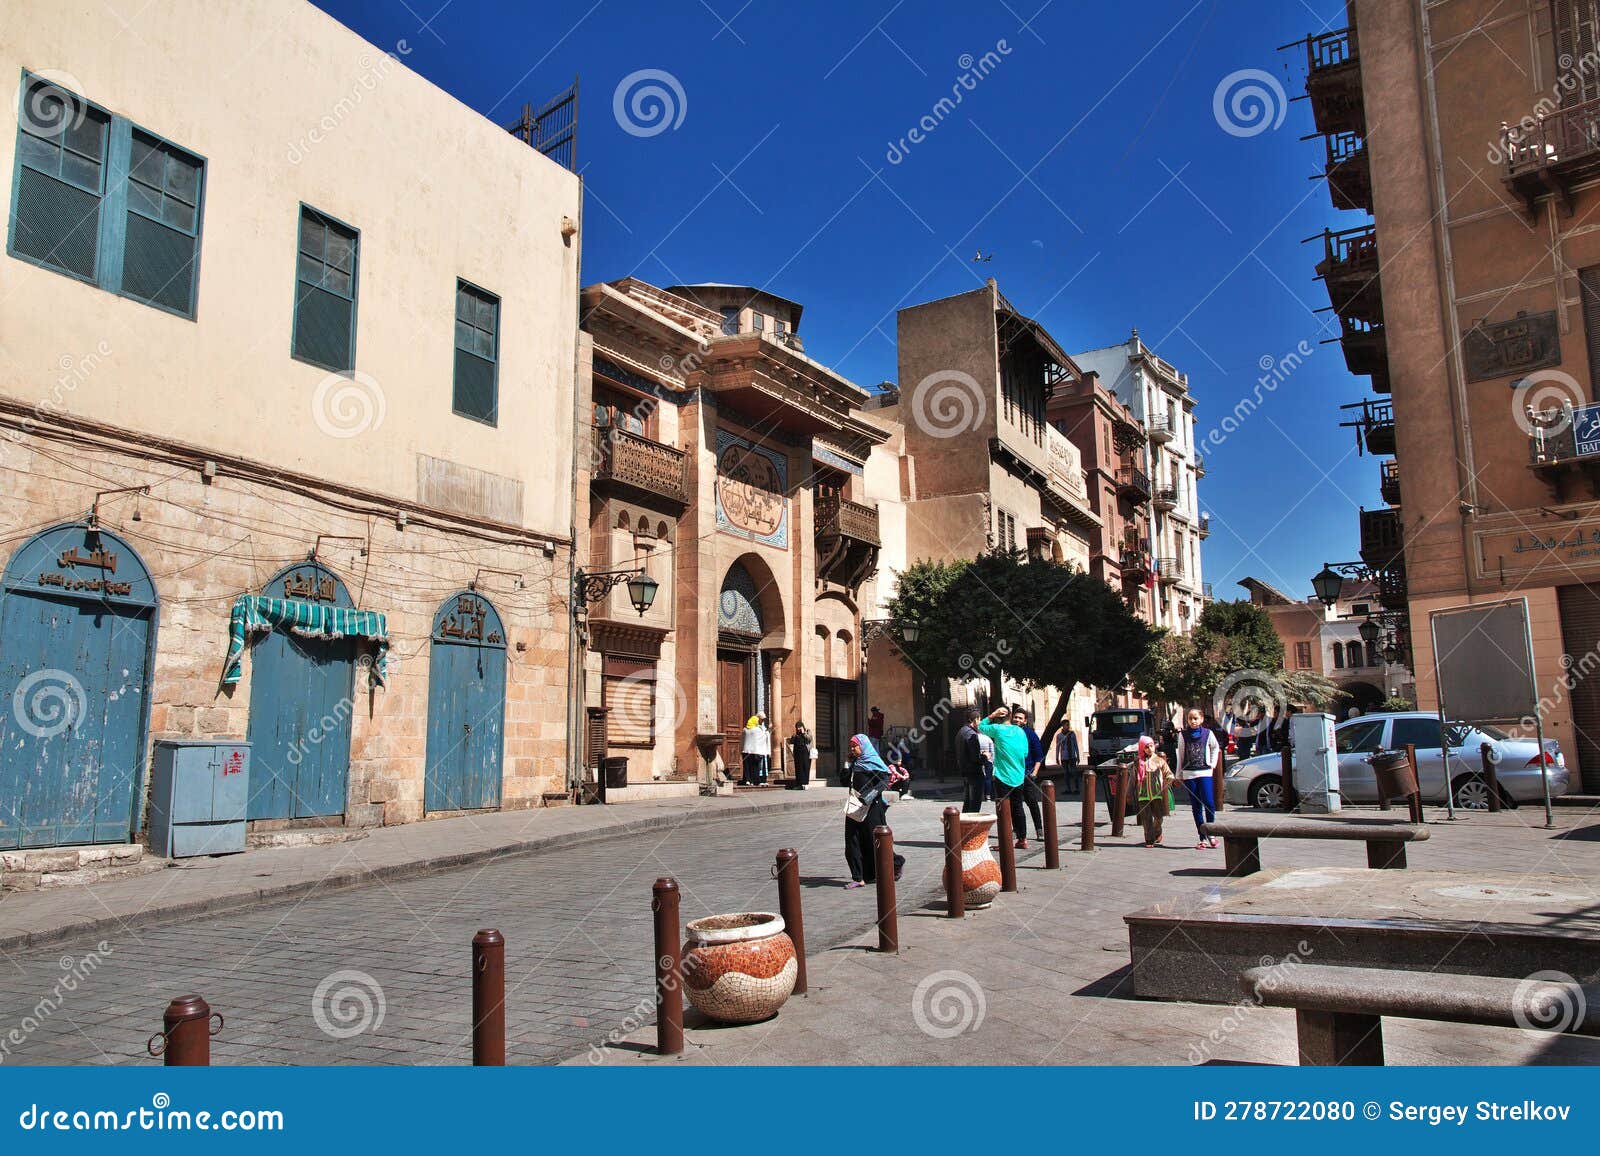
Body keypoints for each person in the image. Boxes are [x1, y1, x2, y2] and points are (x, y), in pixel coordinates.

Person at [843, 733, 905, 889]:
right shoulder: (855, 763)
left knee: (875, 841)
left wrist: (869, 795)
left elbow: (884, 781)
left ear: (863, 746)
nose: (853, 749)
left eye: (855, 746)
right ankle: (859, 877)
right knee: (852, 841)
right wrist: (846, 767)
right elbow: (844, 781)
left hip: (872, 808)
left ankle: (896, 863)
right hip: (855, 806)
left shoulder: (873, 761)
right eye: (851, 746)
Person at [979, 707, 1033, 849]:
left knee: (1003, 809)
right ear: (1010, 717)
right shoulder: (1021, 732)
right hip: (1019, 776)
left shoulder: (997, 729)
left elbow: (981, 726)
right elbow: (1026, 753)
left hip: (1002, 776)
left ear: (998, 717)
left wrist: (991, 715)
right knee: (1018, 808)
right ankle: (1022, 839)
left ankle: (1004, 842)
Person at [1178, 707, 1221, 849]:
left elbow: (1215, 747)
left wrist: (1212, 764)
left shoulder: (1208, 733)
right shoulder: (1183, 735)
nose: (1193, 721)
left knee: (1209, 803)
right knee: (1196, 806)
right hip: (1189, 774)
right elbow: (1181, 755)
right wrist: (1179, 774)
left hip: (1205, 772)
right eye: (1190, 718)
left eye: (1196, 718)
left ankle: (1212, 833)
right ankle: (1202, 837)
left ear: (1201, 719)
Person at [1010, 707, 1046, 846]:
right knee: (1015, 803)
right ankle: (1017, 830)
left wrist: (1035, 772)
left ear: (1025, 721)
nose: (1017, 720)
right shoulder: (1009, 732)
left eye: (1020, 718)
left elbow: (1039, 755)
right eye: (1015, 717)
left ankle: (1039, 829)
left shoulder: (1029, 734)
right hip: (1013, 774)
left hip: (1027, 773)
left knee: (1031, 801)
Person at [1134, 735, 1174, 848]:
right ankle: (1149, 839)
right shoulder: (1138, 762)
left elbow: (1168, 773)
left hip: (1157, 794)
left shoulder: (1159, 760)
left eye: (1151, 746)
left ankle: (1157, 832)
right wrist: (1129, 793)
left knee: (1158, 817)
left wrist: (1170, 780)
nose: (1149, 749)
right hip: (1143, 795)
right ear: (1142, 748)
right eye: (1146, 747)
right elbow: (1133, 778)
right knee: (1146, 819)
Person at [957, 707, 985, 812]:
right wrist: (984, 757)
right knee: (974, 804)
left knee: (968, 802)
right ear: (975, 719)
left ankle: (963, 827)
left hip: (966, 772)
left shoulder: (961, 731)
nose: (980, 722)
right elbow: (975, 757)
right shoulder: (971, 734)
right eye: (979, 719)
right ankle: (971, 827)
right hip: (974, 772)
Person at [788, 722, 813, 790]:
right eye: (797, 727)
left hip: (805, 752)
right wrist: (794, 736)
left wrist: (803, 732)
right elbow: (791, 742)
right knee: (798, 768)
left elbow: (809, 739)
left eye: (799, 727)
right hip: (797, 753)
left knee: (805, 767)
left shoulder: (807, 731)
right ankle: (799, 784)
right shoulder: (796, 734)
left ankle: (805, 783)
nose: (798, 729)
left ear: (802, 726)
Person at [1055, 724, 1081, 793]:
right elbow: (1058, 747)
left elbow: (1075, 745)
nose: (1067, 726)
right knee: (1066, 774)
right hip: (1064, 757)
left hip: (1072, 756)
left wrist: (1078, 756)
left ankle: (1077, 788)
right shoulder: (1059, 736)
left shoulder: (1072, 734)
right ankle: (1068, 789)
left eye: (1068, 725)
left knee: (1074, 773)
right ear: (1062, 726)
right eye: (1066, 725)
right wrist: (1057, 757)